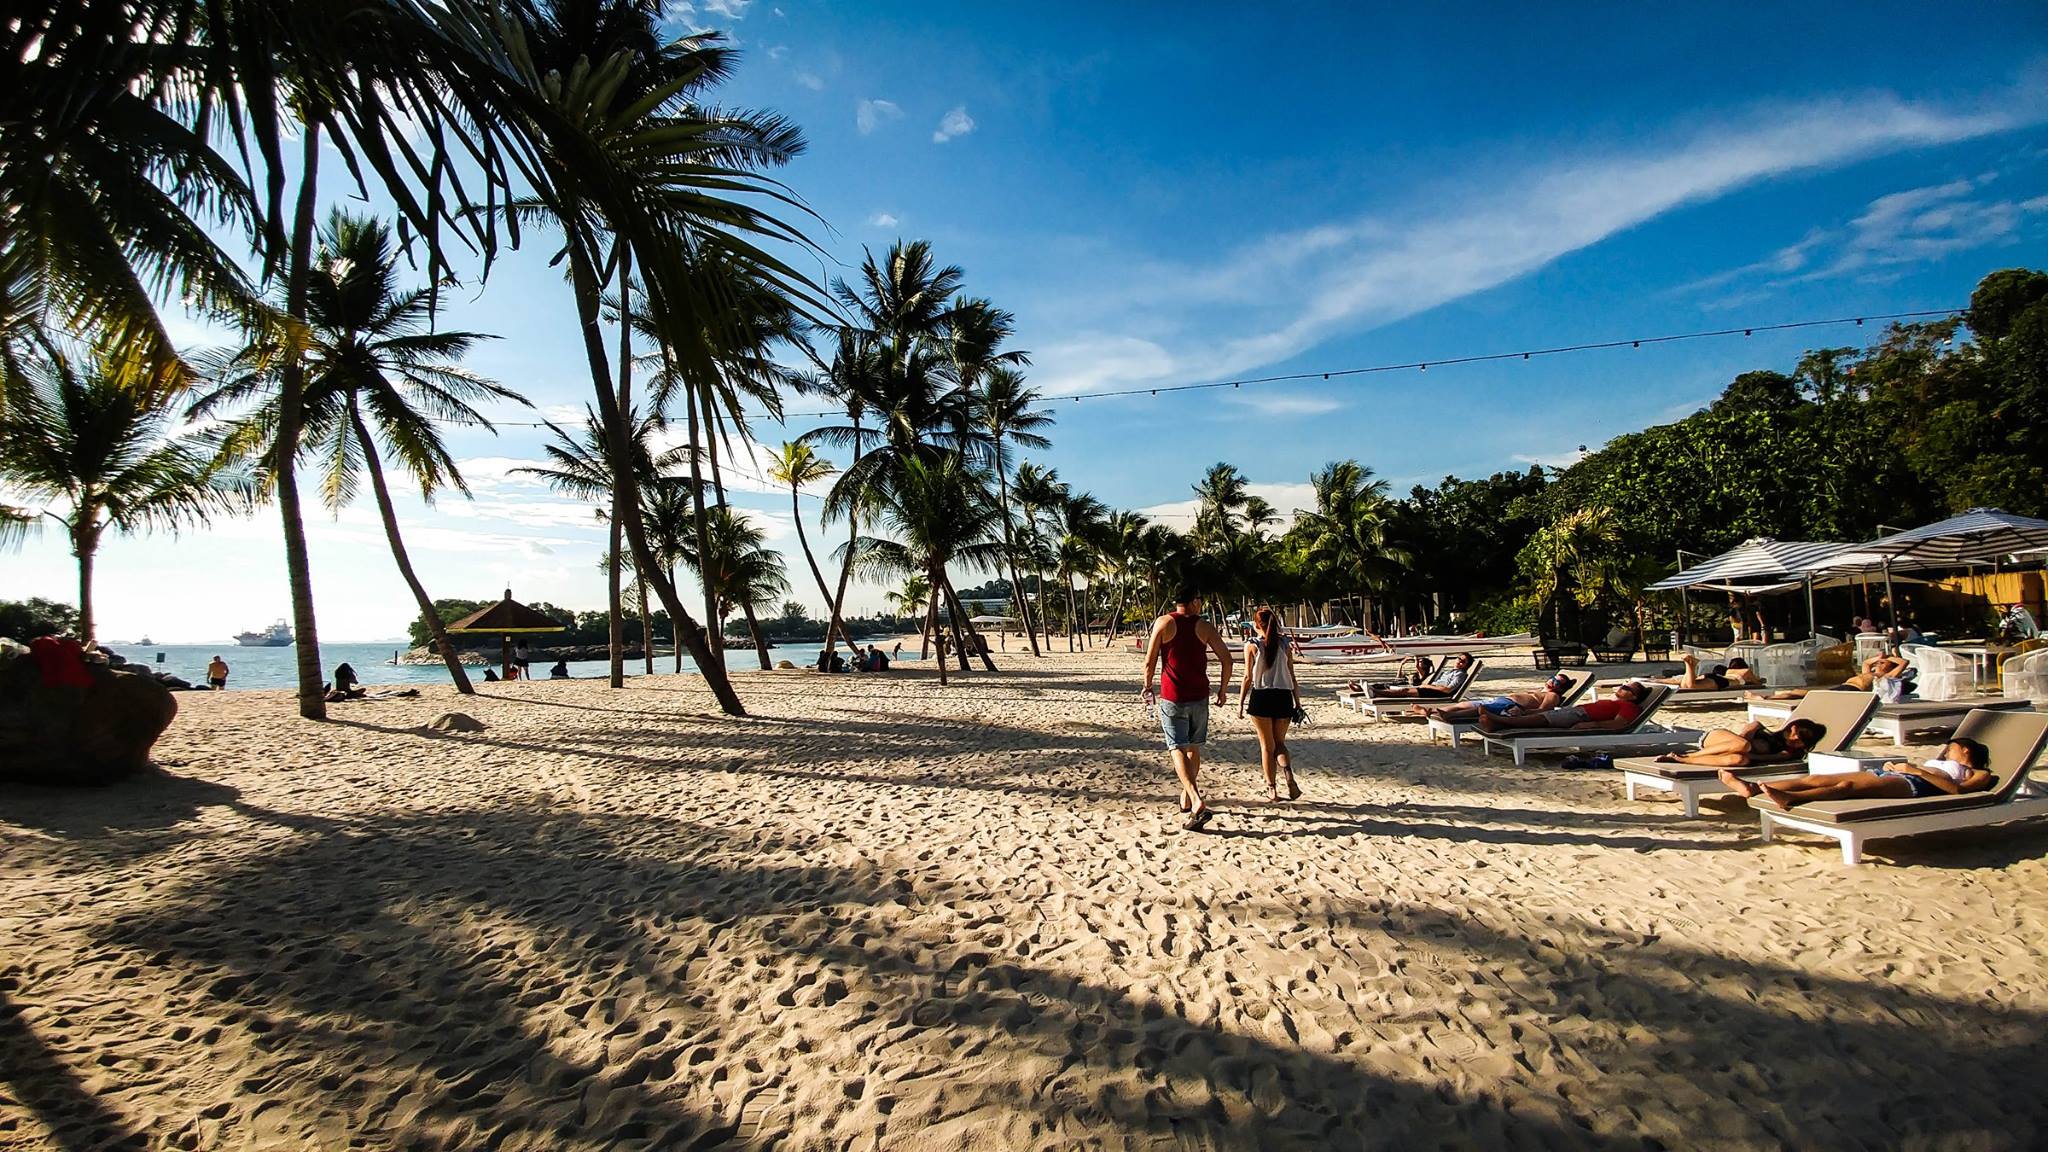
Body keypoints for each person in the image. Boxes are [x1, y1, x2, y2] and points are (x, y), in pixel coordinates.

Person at [1141, 587, 1234, 831]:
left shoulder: (1163, 623)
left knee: (1176, 747)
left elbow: (1149, 660)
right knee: (1193, 747)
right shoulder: (1204, 627)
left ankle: (1193, 797)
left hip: (1172, 696)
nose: (1201, 604)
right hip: (1199, 697)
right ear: (1193, 602)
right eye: (1200, 600)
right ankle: (1187, 797)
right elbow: (1227, 659)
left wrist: (1147, 685)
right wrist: (1223, 689)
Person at [1720, 738, 1991, 809]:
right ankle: (1752, 787)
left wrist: (1913, 770)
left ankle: (1791, 798)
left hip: (1916, 786)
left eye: (1952, 748)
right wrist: (1897, 767)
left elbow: (1957, 791)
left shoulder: (1979, 773)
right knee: (1813, 778)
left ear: (1966, 751)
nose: (1947, 751)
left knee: (1846, 786)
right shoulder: (1941, 762)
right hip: (1901, 775)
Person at [1237, 607, 1302, 802]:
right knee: (1280, 743)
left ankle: (1272, 788)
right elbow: (1292, 676)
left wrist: (1240, 703)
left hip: (1261, 697)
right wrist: (1297, 703)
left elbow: (1248, 677)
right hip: (1283, 697)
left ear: (1257, 625)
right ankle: (1288, 772)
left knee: (1267, 746)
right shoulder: (1285, 644)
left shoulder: (1252, 645)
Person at [1477, 680, 1651, 733]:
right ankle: (1497, 724)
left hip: (1581, 717)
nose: (1622, 686)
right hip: (1577, 712)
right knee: (1541, 719)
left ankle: (1497, 719)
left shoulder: (1630, 707)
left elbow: (1619, 724)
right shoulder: (1617, 702)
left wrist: (1592, 725)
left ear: (1634, 697)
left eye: (1627, 687)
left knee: (1542, 719)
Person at [1652, 718, 1826, 767]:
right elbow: (1742, 737)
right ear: (1792, 728)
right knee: (1744, 745)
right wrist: (1746, 743)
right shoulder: (1761, 728)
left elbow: (1761, 759)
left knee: (1740, 760)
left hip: (1731, 753)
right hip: (1715, 738)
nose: (1795, 740)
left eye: (1802, 741)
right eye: (1796, 735)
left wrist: (1745, 752)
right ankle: (1690, 755)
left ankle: (1685, 759)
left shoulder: (1787, 753)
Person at [1418, 674, 1571, 723]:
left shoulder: (1553, 695)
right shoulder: (1542, 690)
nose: (1552, 681)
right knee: (1464, 704)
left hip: (1511, 706)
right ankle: (1431, 711)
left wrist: (1521, 713)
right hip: (1502, 700)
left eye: (1556, 682)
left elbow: (1544, 711)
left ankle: (1450, 715)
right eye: (1553, 678)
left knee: (1479, 710)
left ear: (1560, 688)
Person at [1366, 653, 1473, 700]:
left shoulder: (1460, 674)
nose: (1459, 661)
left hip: (1438, 693)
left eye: (1462, 661)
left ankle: (1375, 692)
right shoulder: (1450, 671)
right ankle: (1374, 691)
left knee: (1405, 691)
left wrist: (1427, 686)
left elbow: (1448, 690)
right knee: (1404, 691)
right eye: (1459, 658)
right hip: (1433, 689)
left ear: (1466, 665)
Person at [1646, 653, 1762, 691]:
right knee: (1691, 686)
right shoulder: (1745, 671)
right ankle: (1690, 665)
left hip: (1714, 676)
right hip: (1723, 682)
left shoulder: (1727, 670)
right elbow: (1758, 684)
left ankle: (1653, 680)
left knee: (1682, 684)